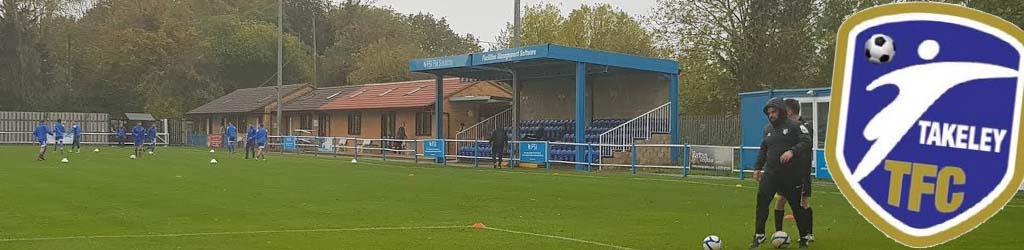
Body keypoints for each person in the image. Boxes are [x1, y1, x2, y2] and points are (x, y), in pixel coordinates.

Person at [750, 97, 812, 249]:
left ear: (782, 111)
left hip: (791, 176)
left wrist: (792, 151)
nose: (771, 115)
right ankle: (759, 234)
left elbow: (806, 142)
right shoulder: (768, 129)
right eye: (769, 113)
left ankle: (804, 237)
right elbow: (764, 148)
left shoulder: (796, 126)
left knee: (796, 207)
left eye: (774, 111)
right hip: (770, 174)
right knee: (762, 203)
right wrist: (757, 167)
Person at [772, 99, 816, 242]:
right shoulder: (784, 126)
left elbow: (802, 144)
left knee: (803, 202)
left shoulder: (805, 126)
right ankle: (778, 234)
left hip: (801, 172)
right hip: (786, 172)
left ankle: (808, 234)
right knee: (780, 200)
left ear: (790, 111)